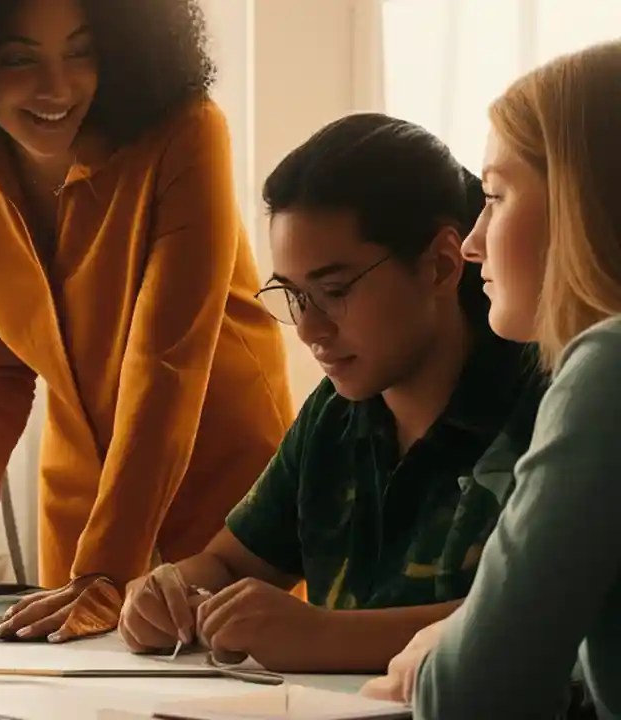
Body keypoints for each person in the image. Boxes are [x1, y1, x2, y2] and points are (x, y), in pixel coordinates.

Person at [0, 0, 292, 641]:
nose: (57, 88)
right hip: (82, 497)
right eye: (18, 59)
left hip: (225, 484)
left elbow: (166, 365)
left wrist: (104, 573)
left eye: (81, 51)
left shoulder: (187, 132)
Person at [118, 114, 546, 673]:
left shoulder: (552, 402)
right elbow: (226, 564)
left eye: (335, 290)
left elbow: (541, 617)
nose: (308, 330)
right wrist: (166, 592)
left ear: (441, 265)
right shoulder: (335, 412)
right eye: (294, 296)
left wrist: (328, 637)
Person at [362, 40, 621, 719]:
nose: (473, 240)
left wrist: (444, 651)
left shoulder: (609, 371)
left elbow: (475, 695)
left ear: (581, 201)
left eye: (496, 197)